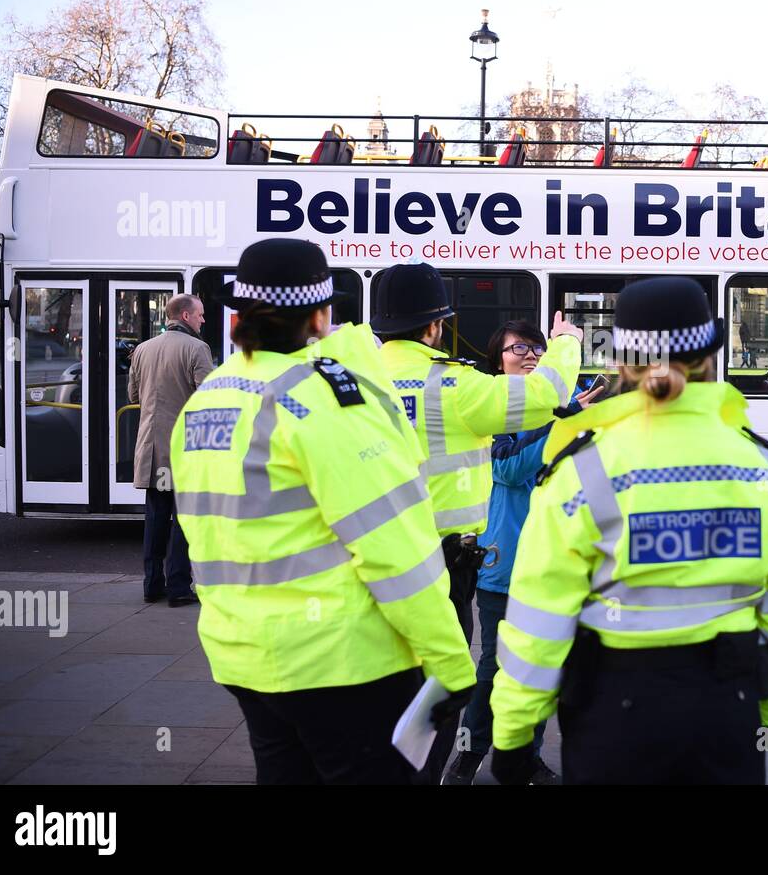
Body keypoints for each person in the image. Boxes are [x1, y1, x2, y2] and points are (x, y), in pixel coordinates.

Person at [489, 276, 768, 785]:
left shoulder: (581, 471)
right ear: (710, 357)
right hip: (726, 717)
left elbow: (538, 622)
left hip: (611, 723)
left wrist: (511, 736)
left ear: (623, 364)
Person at [170, 238, 475, 784]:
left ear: (239, 314)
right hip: (342, 665)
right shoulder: (324, 399)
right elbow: (395, 548)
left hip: (245, 659)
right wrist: (451, 662)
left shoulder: (208, 397)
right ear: (321, 314)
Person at [371, 263, 583, 780]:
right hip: (445, 558)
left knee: (384, 676)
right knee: (448, 676)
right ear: (433, 327)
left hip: (368, 556)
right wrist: (567, 342)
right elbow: (543, 397)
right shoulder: (454, 386)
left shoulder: (351, 381)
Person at [442, 320, 603, 785]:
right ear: (498, 359)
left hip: (555, 567)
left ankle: (526, 758)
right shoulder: (488, 405)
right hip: (505, 563)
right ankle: (466, 757)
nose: (530, 355)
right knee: (494, 668)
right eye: (519, 348)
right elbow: (510, 468)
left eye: (538, 347)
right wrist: (563, 418)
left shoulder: (556, 406)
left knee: (540, 668)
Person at [128, 293, 213, 607]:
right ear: (187, 316)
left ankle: (152, 585)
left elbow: (134, 394)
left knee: (155, 518)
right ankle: (178, 586)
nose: (204, 320)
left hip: (152, 452)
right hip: (183, 452)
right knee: (183, 520)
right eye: (201, 314)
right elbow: (209, 398)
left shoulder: (143, 350)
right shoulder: (197, 349)